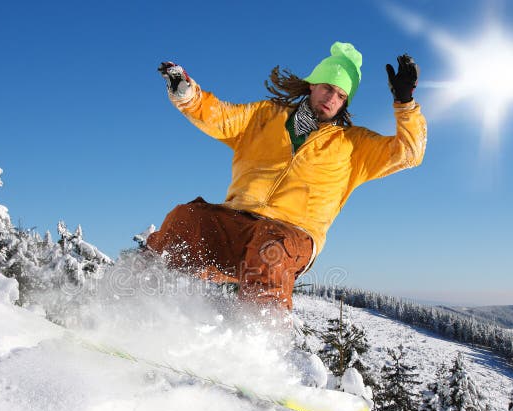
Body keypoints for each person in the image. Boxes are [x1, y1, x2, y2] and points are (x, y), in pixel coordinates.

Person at [146, 42, 427, 311]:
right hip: (238, 223)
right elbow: (221, 117)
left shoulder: (354, 146)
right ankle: (143, 299)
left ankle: (260, 339)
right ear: (312, 85)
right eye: (328, 88)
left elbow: (409, 153)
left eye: (341, 96)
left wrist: (405, 103)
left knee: (271, 247)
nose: (332, 99)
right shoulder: (265, 117)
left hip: (292, 235)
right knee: (187, 218)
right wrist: (188, 94)